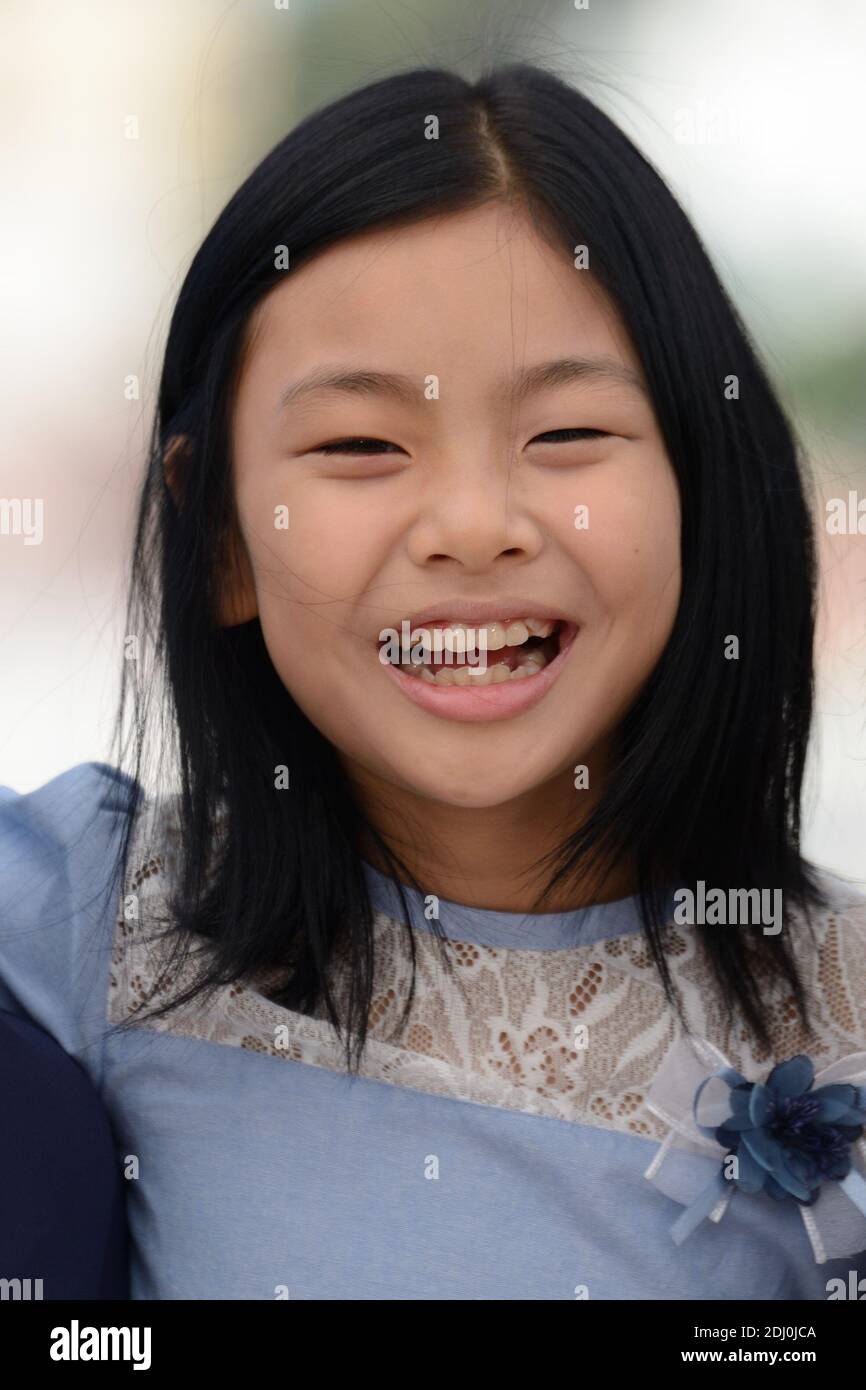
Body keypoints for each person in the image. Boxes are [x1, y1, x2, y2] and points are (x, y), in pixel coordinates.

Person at [1, 62, 864, 1300]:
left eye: (565, 435)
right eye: (360, 445)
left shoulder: (844, 1001)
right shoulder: (105, 911)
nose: (472, 523)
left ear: (703, 496)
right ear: (224, 543)